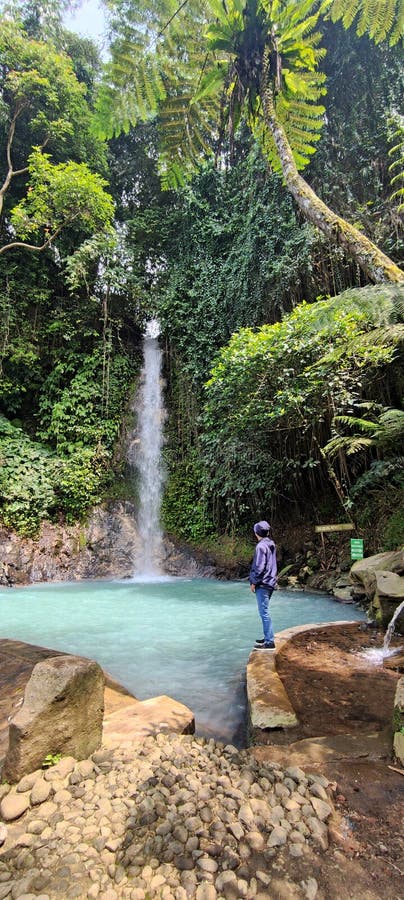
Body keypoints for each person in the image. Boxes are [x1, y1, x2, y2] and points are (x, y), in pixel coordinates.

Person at [249, 520, 277, 650]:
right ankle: (267, 637)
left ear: (257, 533)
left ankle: (269, 641)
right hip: (271, 582)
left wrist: (254, 582)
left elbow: (259, 567)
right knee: (264, 611)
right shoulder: (271, 544)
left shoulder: (260, 547)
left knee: (264, 612)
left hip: (263, 583)